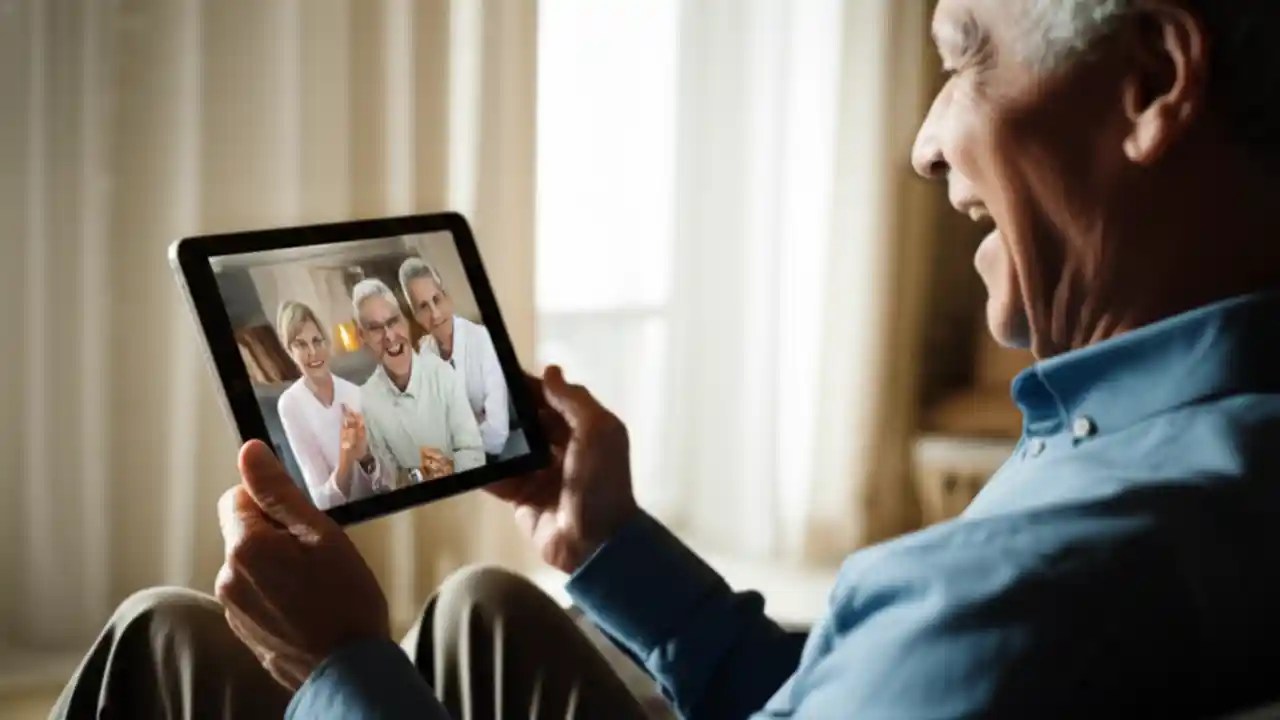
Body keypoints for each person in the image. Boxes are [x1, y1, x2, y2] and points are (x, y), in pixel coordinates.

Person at [52, 1, 1280, 718]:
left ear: (1149, 82)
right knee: (487, 605)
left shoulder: (1022, 590)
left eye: (962, 57)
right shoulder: (1192, 447)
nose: (921, 146)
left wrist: (340, 671)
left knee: (167, 641)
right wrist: (608, 549)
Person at [351, 278, 485, 480]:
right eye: (376, 328)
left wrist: (432, 471)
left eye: (393, 321)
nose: (389, 336)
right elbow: (387, 479)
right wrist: (365, 459)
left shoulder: (443, 374)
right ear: (363, 337)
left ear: (405, 322)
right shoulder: (366, 399)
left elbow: (474, 455)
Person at [274, 300, 389, 509]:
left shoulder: (354, 393)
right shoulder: (290, 404)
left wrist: (364, 456)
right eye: (301, 344)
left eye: (317, 341)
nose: (313, 352)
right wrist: (346, 455)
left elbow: (384, 485)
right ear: (289, 351)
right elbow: (323, 503)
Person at [399, 257, 513, 458]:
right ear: (416, 316)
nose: (435, 314)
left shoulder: (483, 339)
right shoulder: (424, 354)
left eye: (436, 299)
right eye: (424, 306)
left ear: (447, 297)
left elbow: (497, 435)